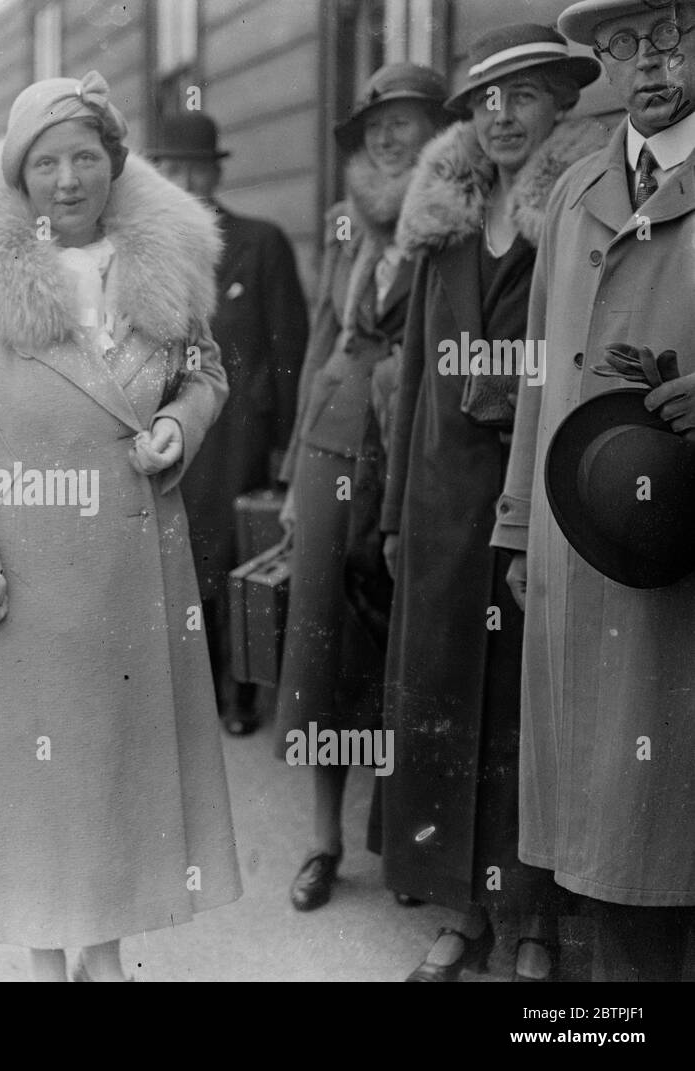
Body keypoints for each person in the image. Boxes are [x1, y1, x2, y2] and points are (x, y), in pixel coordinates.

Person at [0, 70, 242, 981]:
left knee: (112, 767)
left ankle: (100, 947)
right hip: (28, 565)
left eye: (86, 158)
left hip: (135, 564)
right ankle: (40, 955)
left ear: (114, 164)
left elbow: (206, 374)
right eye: (48, 163)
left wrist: (181, 424)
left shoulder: (161, 261)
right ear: (20, 178)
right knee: (33, 770)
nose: (69, 180)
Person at [381, 24, 607, 982]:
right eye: (485, 100)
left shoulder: (580, 216)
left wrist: (513, 390)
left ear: (561, 102)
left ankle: (531, 921)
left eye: (523, 96)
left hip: (534, 502)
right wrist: (393, 512)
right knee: (439, 700)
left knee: (524, 706)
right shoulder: (445, 231)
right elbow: (413, 381)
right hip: (438, 507)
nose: (501, 116)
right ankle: (461, 906)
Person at [492, 0, 695, 982]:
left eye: (675, 35)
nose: (648, 65)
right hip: (584, 554)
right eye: (623, 45)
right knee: (610, 855)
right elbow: (536, 374)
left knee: (670, 836)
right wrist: (522, 525)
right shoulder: (574, 192)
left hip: (680, 569)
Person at [275, 63, 451, 913]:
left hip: (410, 448)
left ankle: (405, 839)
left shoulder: (454, 216)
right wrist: (288, 473)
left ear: (438, 129)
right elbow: (319, 345)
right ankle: (323, 841)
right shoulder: (347, 227)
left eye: (404, 120)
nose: (385, 136)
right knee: (319, 646)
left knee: (403, 650)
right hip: (328, 446)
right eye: (373, 125)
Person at [149, 112, 308, 737]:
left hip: (242, 435)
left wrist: (285, 452)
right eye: (169, 171)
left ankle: (241, 692)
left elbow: (290, 352)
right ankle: (198, 689)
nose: (184, 182)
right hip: (178, 434)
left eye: (196, 169)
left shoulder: (259, 242)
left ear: (215, 173)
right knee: (188, 561)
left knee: (241, 557)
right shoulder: (146, 255)